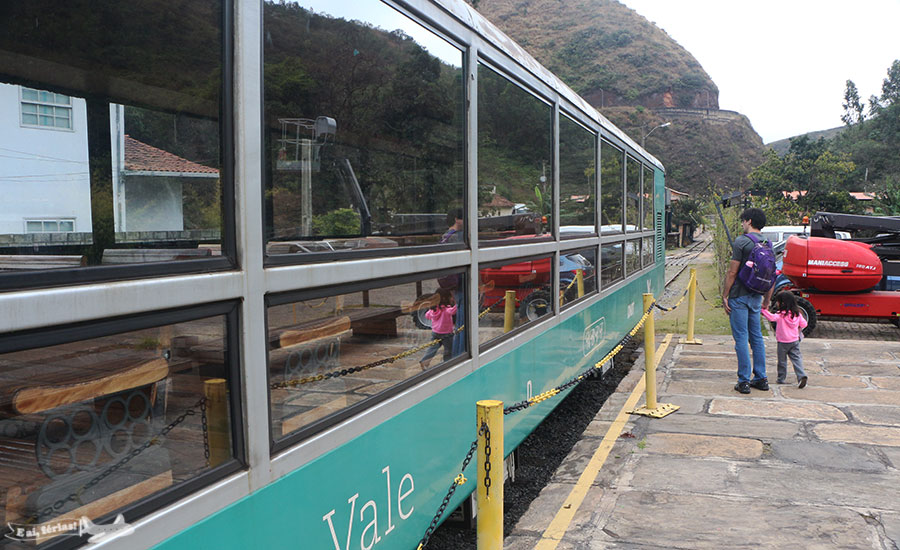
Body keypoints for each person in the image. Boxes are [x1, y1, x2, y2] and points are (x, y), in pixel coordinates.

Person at [722, 208, 775, 394]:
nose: (742, 224)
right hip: (756, 296)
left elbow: (732, 272)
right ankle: (761, 378)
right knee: (757, 337)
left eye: (743, 221)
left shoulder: (742, 241)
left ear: (749, 221)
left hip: (739, 296)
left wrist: (725, 295)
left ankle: (743, 380)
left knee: (741, 338)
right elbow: (771, 274)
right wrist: (767, 299)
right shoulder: (768, 243)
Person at [761, 291, 808, 388]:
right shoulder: (797, 314)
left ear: (782, 303)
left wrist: (763, 310)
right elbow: (804, 324)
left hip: (783, 342)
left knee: (782, 361)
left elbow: (771, 318)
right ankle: (801, 375)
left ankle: (781, 378)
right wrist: (798, 330)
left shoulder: (780, 315)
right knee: (797, 359)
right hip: (794, 341)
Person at [420, 288, 458, 369]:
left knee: (432, 348)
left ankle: (425, 361)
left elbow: (427, 316)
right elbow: (453, 311)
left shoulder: (433, 309)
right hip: (446, 334)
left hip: (435, 332)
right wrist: (457, 303)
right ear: (445, 298)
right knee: (448, 350)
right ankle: (447, 363)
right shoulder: (446, 309)